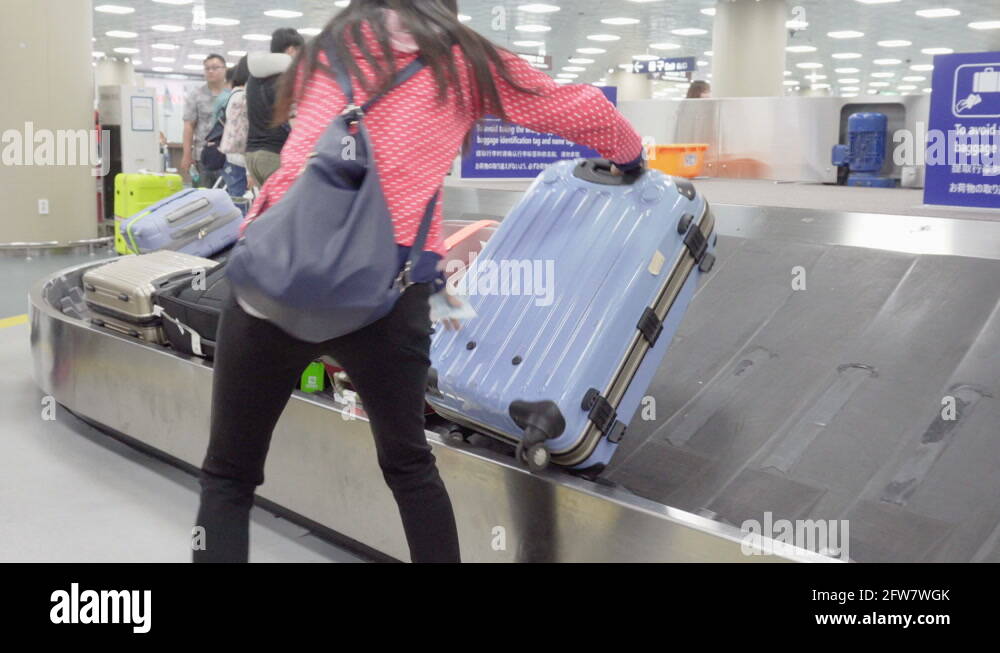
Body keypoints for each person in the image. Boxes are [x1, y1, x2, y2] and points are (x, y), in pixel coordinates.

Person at [193, 0, 645, 564]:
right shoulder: (464, 61)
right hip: (385, 291)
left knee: (227, 477)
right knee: (408, 465)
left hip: (273, 276)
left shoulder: (334, 45)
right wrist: (630, 154)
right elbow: (573, 108)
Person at [244, 28, 305, 187]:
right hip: (275, 155)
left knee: (267, 209)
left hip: (252, 156)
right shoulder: (286, 78)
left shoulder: (253, 77)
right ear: (291, 50)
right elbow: (294, 120)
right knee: (285, 209)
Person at [182, 54, 228, 188]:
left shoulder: (232, 95)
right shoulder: (196, 95)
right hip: (202, 157)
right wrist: (186, 155)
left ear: (225, 69)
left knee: (226, 199)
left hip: (226, 158)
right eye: (207, 68)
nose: (210, 71)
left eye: (215, 68)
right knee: (201, 199)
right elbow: (188, 126)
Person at [219, 56, 250, 202]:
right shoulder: (243, 98)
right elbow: (245, 134)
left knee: (236, 203)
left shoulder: (233, 96)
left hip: (231, 160)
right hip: (241, 163)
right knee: (241, 205)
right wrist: (250, 172)